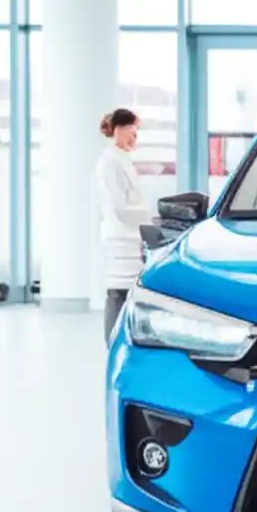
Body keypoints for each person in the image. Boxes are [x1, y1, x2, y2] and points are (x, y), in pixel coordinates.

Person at [94, 108, 152, 344]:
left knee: (127, 292)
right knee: (118, 292)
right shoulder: (109, 162)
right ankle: (113, 343)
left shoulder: (121, 159)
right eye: (132, 132)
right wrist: (149, 216)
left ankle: (122, 342)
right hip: (121, 237)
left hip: (130, 236)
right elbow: (119, 205)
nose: (134, 138)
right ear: (118, 129)